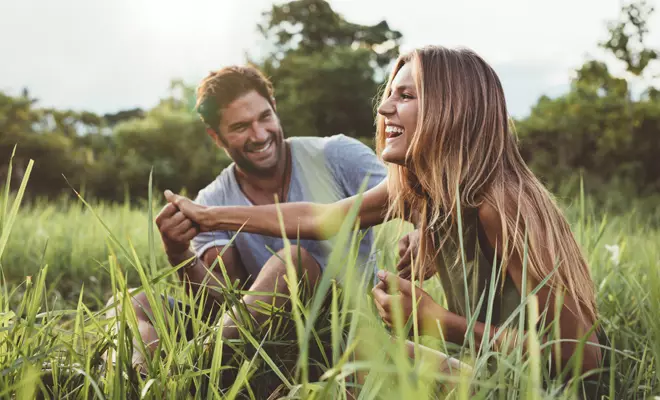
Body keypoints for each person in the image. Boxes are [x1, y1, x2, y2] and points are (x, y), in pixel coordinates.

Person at [165, 46, 605, 383]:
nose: (383, 108)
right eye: (388, 94)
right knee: (350, 358)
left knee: (360, 360)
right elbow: (324, 217)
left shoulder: (501, 206)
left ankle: (186, 374)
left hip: (541, 385)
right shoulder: (423, 190)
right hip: (489, 366)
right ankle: (189, 371)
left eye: (406, 95)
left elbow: (582, 357)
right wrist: (211, 217)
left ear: (452, 109)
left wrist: (440, 323)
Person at [106, 65, 399, 370]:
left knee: (292, 262)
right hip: (262, 334)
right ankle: (136, 375)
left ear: (275, 109)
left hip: (341, 325)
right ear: (216, 137)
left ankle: (185, 370)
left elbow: (405, 194)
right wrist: (180, 254)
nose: (259, 135)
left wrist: (421, 234)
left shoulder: (336, 155)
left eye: (264, 117)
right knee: (129, 303)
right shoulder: (212, 198)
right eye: (240, 127)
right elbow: (220, 305)